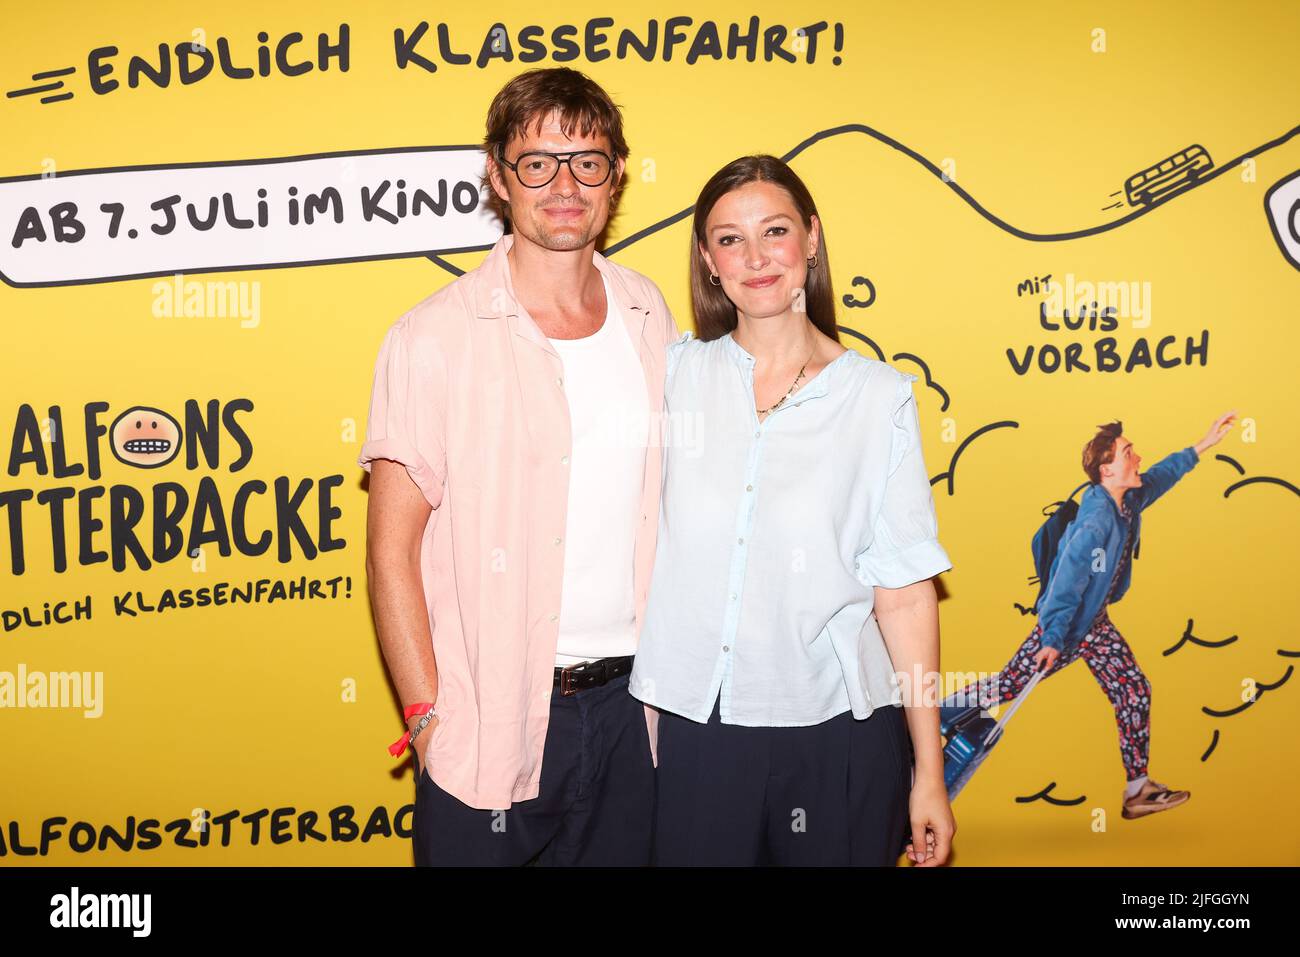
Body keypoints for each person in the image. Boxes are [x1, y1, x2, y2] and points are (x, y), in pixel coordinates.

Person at [358, 67, 679, 865]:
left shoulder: (650, 315)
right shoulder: (432, 337)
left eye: (588, 160)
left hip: (638, 715)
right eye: (538, 162)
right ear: (500, 177)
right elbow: (390, 549)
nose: (564, 184)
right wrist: (429, 720)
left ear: (617, 175)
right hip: (489, 726)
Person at [628, 154, 956, 866]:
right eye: (729, 239)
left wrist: (929, 770)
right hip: (697, 729)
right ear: (708, 261)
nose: (755, 257)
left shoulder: (878, 399)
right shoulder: (673, 377)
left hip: (837, 734)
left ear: (811, 238)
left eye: (774, 231)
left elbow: (903, 596)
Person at [947, 412, 1236, 819]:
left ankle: (1137, 790)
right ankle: (928, 717)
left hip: (1094, 626)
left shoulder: (1127, 500)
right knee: (1008, 684)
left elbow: (1163, 474)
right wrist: (1051, 639)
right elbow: (1065, 583)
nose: (1137, 458)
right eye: (1128, 453)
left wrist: (1203, 444)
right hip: (1067, 628)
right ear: (1107, 470)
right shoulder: (1096, 521)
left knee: (1133, 690)